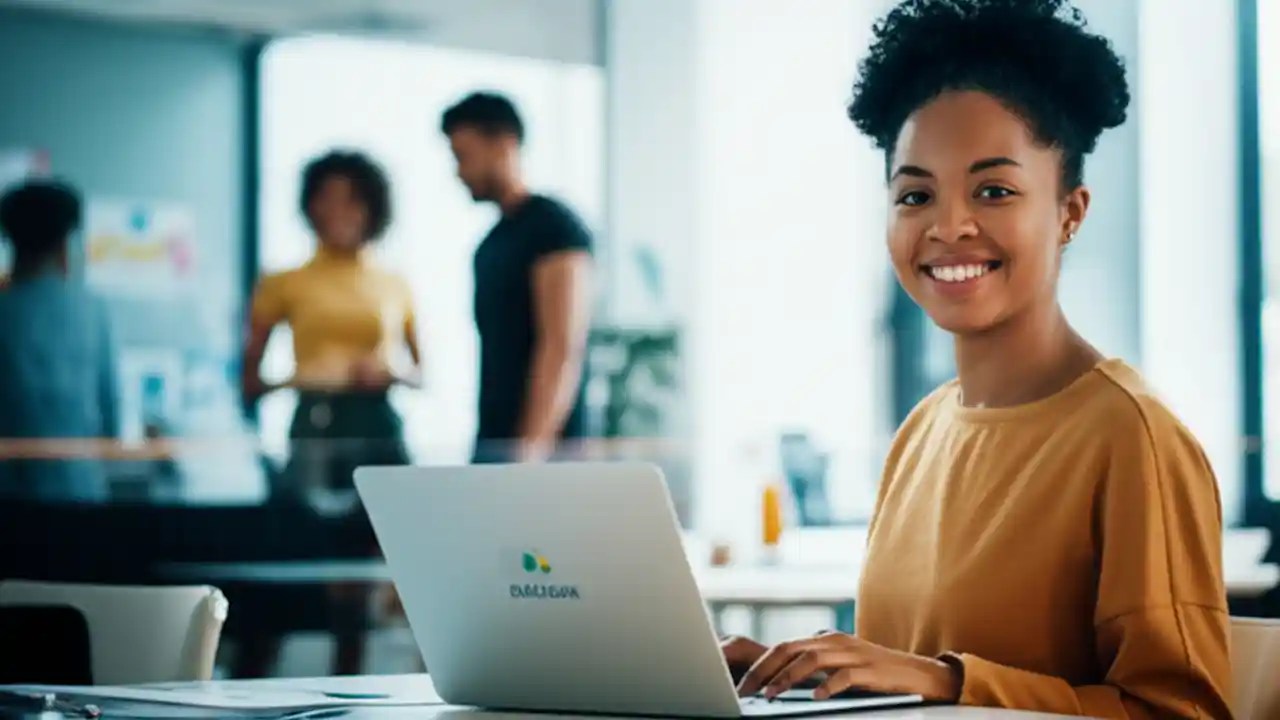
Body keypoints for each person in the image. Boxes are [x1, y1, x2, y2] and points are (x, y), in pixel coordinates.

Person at [725, 1, 1233, 716]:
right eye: (915, 194)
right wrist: (803, 674)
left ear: (1069, 212)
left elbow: (1182, 712)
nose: (948, 225)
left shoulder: (1131, 439)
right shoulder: (923, 432)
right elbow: (907, 680)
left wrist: (947, 680)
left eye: (994, 190)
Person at [239, 149, 421, 676]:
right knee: (292, 564)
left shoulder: (393, 282)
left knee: (366, 571)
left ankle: (350, 686)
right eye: (326, 198)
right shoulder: (284, 281)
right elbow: (249, 379)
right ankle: (253, 685)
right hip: (314, 428)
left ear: (372, 209)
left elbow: (420, 372)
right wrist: (302, 377)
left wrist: (386, 371)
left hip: (377, 425)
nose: (338, 210)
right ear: (310, 205)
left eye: (351, 199)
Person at [440, 92, 594, 463]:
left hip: (544, 459)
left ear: (503, 143)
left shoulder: (554, 227)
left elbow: (561, 345)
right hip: (494, 446)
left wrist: (530, 451)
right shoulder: (490, 245)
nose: (459, 172)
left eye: (464, 156)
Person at [0, 180, 119, 502]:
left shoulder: (4, 312)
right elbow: (111, 419)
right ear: (66, 244)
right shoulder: (92, 310)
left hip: (10, 497)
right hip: (79, 491)